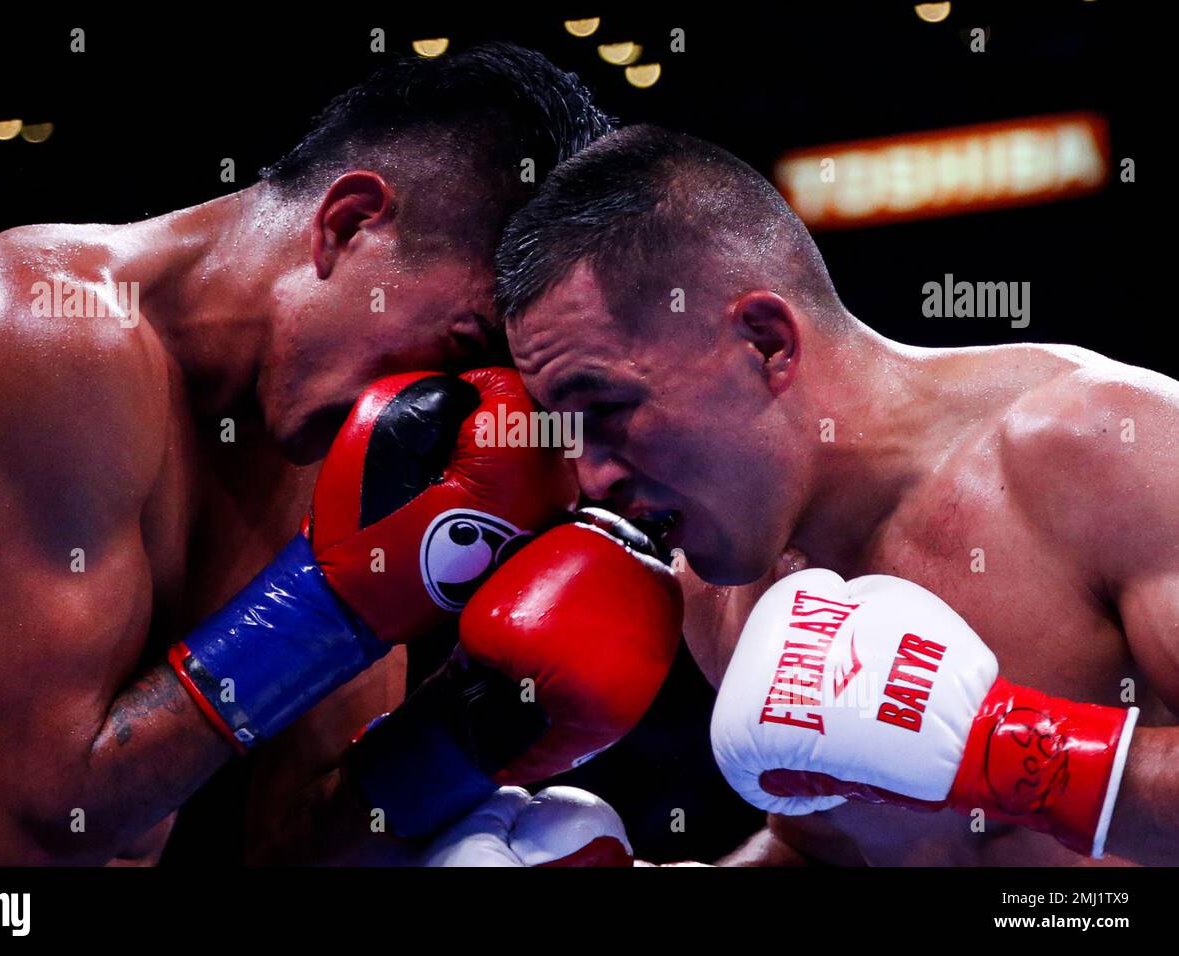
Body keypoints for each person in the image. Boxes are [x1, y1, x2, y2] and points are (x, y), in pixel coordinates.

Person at [0, 44, 616, 866]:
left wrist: (468, 730)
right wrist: (328, 608)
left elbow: (293, 839)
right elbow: (46, 833)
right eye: (463, 346)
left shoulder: (337, 443)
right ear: (348, 223)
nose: (441, 407)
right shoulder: (51, 333)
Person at [495, 124, 1179, 866]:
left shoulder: (1104, 444)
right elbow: (827, 850)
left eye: (605, 408)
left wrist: (1007, 756)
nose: (592, 479)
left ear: (765, 341)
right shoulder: (716, 585)